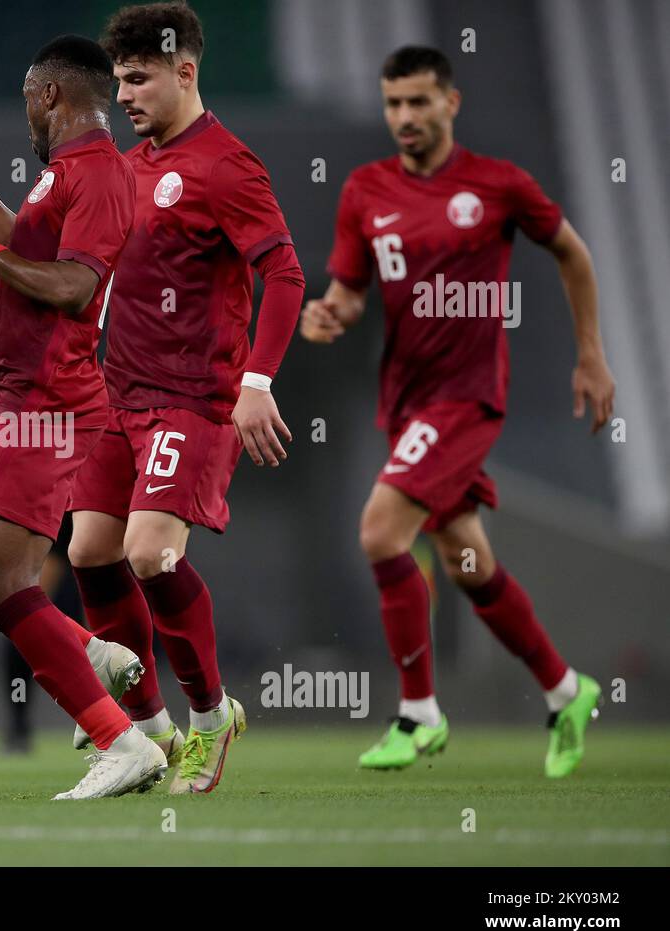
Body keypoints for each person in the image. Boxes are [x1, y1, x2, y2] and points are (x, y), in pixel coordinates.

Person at [300, 45, 615, 777]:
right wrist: (331, 315)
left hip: (467, 399)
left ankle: (418, 714)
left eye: (418, 101)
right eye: (393, 104)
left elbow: (573, 253)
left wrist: (591, 354)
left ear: (451, 103)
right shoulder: (364, 190)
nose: (404, 117)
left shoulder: (498, 186)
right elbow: (350, 290)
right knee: (467, 562)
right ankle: (567, 690)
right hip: (406, 402)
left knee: (380, 532)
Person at [66, 1, 305, 794]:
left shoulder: (227, 165)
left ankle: (212, 718)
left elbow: (285, 274)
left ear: (185, 72)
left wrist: (256, 383)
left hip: (192, 400)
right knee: (89, 554)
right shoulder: (125, 165)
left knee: (151, 553)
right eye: (118, 82)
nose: (124, 96)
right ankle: (149, 731)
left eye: (137, 80)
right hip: (115, 394)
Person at [0, 35, 165, 799]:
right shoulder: (63, 173)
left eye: (30, 98)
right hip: (22, 401)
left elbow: (72, 288)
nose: (26, 111)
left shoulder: (97, 176)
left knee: (5, 585)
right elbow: (27, 242)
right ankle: (83, 650)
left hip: (49, 404)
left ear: (51, 94)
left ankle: (121, 742)